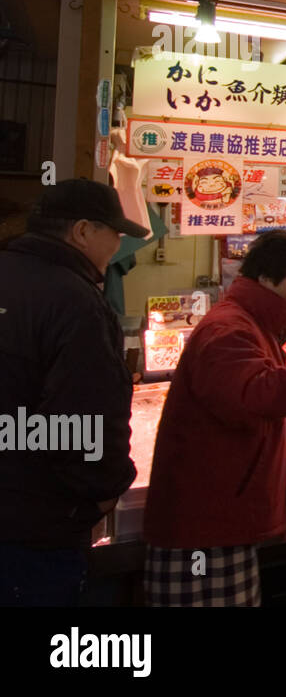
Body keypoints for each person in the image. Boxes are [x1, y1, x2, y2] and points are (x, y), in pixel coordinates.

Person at [142, 230, 286, 606]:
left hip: (224, 515)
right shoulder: (228, 328)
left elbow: (244, 392)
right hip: (204, 525)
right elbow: (249, 396)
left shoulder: (250, 323)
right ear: (266, 278)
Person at [0, 179, 145, 605]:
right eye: (114, 234)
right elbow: (87, 421)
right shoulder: (75, 301)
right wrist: (102, 494)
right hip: (35, 530)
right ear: (82, 231)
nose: (118, 247)